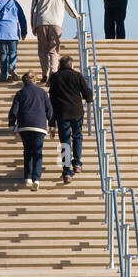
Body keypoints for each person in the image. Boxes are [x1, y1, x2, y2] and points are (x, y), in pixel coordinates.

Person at [29, 0, 81, 84]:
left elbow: (33, 9)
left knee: (42, 50)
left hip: (41, 22)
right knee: (54, 49)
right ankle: (53, 72)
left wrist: (33, 25)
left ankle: (44, 74)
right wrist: (75, 15)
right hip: (56, 22)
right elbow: (68, 4)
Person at [48, 55, 93, 184]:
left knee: (65, 142)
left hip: (62, 113)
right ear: (71, 64)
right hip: (77, 112)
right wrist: (90, 99)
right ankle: (77, 163)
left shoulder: (55, 77)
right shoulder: (77, 76)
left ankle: (67, 171)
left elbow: (51, 100)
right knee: (77, 136)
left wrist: (52, 123)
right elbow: (88, 95)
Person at [7, 71, 54, 191]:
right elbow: (49, 110)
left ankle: (27, 176)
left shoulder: (20, 93)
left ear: (23, 81)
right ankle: (36, 178)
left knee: (27, 150)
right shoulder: (42, 92)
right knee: (37, 151)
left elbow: (14, 110)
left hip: (24, 125)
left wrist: (12, 124)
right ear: (35, 80)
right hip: (39, 126)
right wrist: (52, 125)